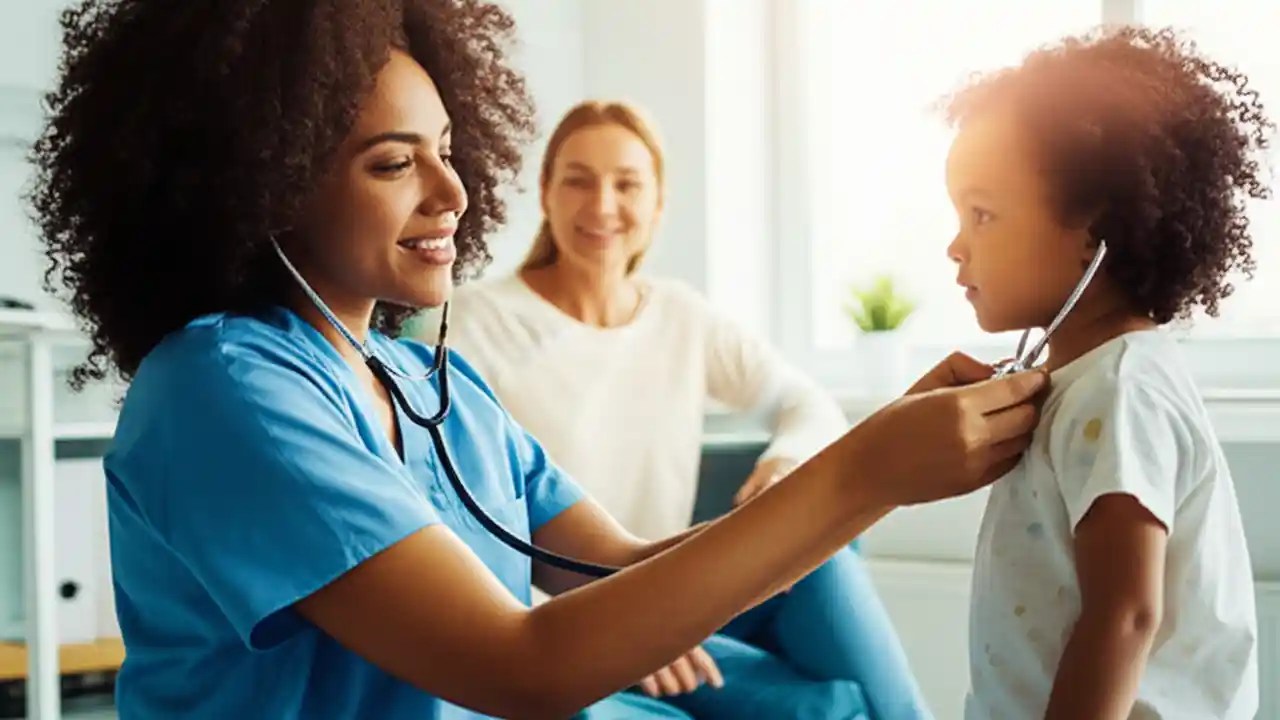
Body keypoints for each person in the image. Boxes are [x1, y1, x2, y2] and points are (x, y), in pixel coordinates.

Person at [28, 1, 1047, 718]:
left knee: (820, 673)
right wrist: (869, 470)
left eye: (445, 148)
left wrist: (873, 462)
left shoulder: (433, 385)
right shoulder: (225, 390)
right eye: (394, 163)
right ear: (263, 185)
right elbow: (524, 668)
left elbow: (621, 568)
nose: (453, 192)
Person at [423, 100, 931, 719]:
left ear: (658, 204)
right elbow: (462, 524)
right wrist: (628, 628)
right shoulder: (477, 324)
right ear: (547, 193)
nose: (602, 205)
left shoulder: (680, 315)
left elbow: (807, 402)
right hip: (573, 619)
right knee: (832, 708)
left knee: (823, 553)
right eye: (578, 180)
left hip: (675, 593)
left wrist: (785, 463)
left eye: (627, 184)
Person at [941, 26, 1267, 720]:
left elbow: (1125, 614)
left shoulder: (1120, 391)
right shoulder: (1089, 382)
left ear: (1092, 221)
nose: (955, 246)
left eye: (982, 214)